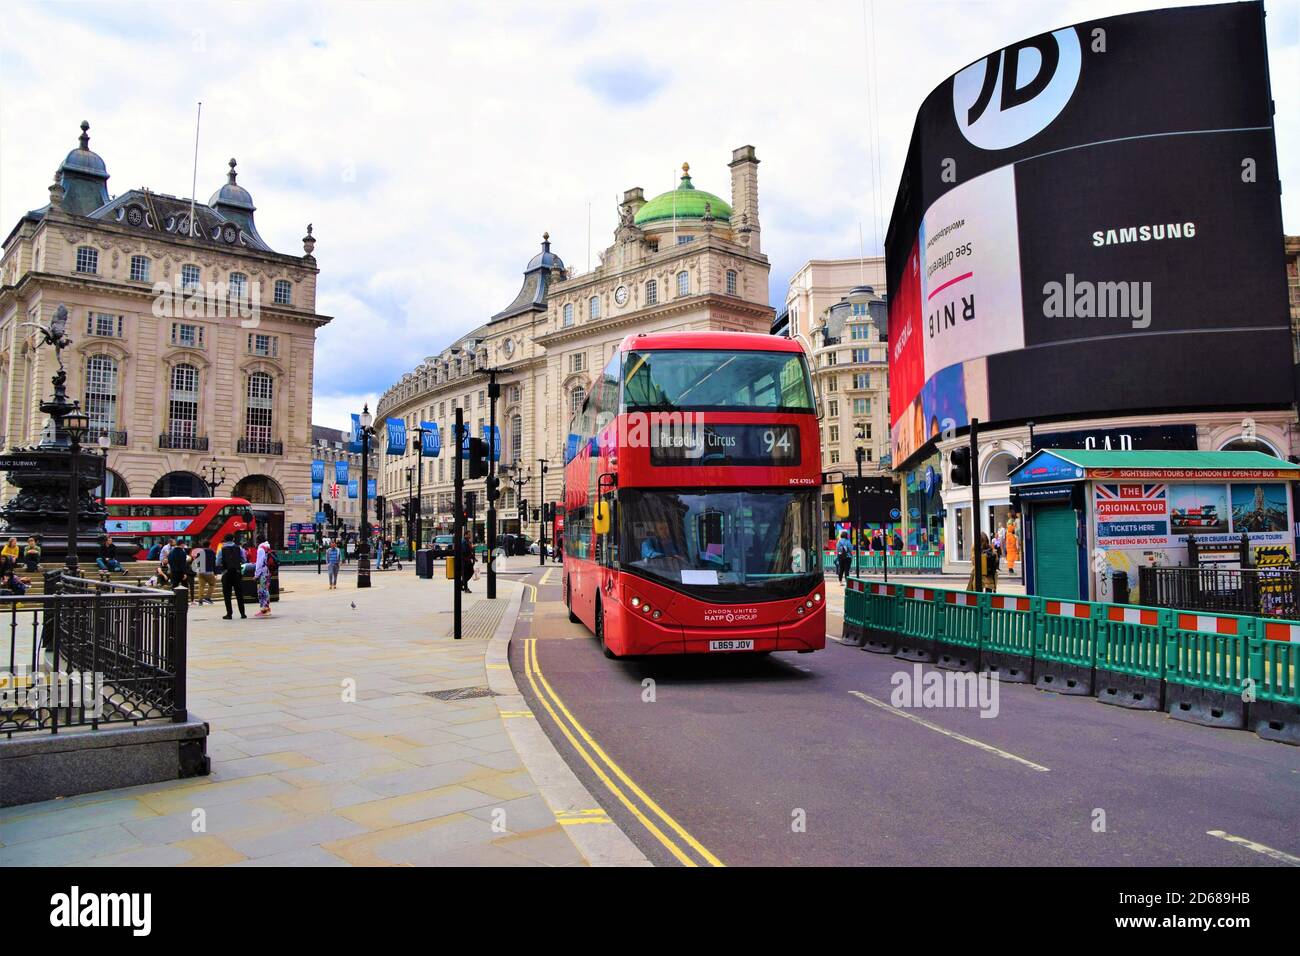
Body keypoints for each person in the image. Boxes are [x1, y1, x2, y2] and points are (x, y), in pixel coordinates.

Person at [217, 536, 247, 619]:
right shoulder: (239, 548)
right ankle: (242, 613)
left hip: (226, 574)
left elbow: (218, 562)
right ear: (233, 539)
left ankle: (229, 614)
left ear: (225, 540)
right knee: (239, 594)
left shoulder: (221, 549)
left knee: (227, 595)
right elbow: (244, 560)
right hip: (237, 573)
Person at [253, 535, 273, 616]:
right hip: (268, 571)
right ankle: (266, 608)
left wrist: (256, 575)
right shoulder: (267, 547)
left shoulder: (261, 549)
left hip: (263, 572)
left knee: (262, 591)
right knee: (266, 590)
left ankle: (265, 610)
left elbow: (259, 563)